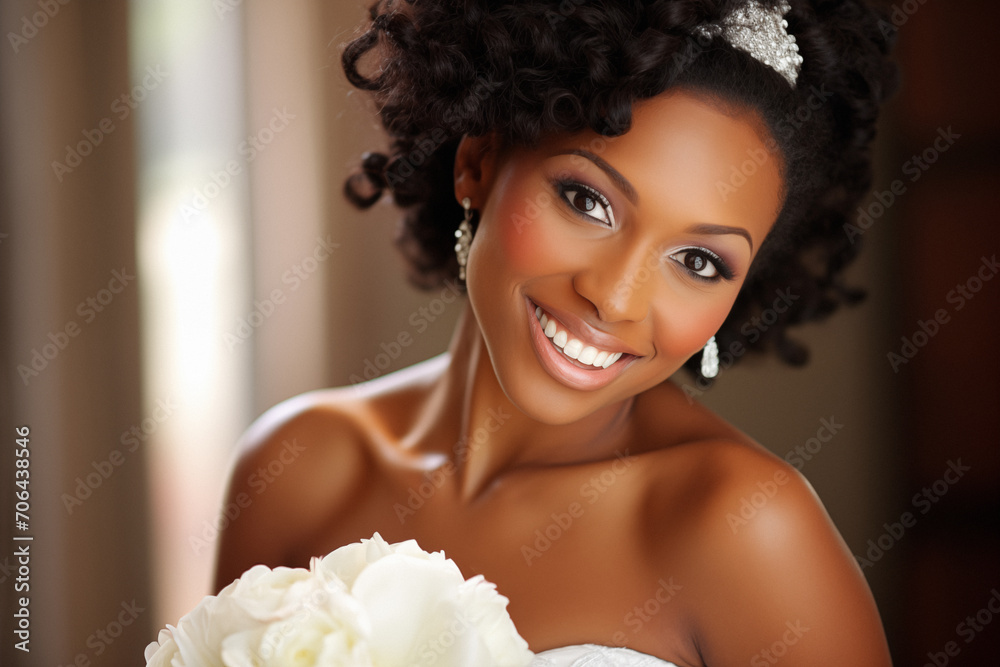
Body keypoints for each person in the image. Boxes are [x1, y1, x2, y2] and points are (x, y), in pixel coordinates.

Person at [214, 0, 898, 663]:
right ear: (477, 164)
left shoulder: (746, 530)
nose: (615, 298)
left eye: (699, 261)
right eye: (587, 200)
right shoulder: (294, 470)